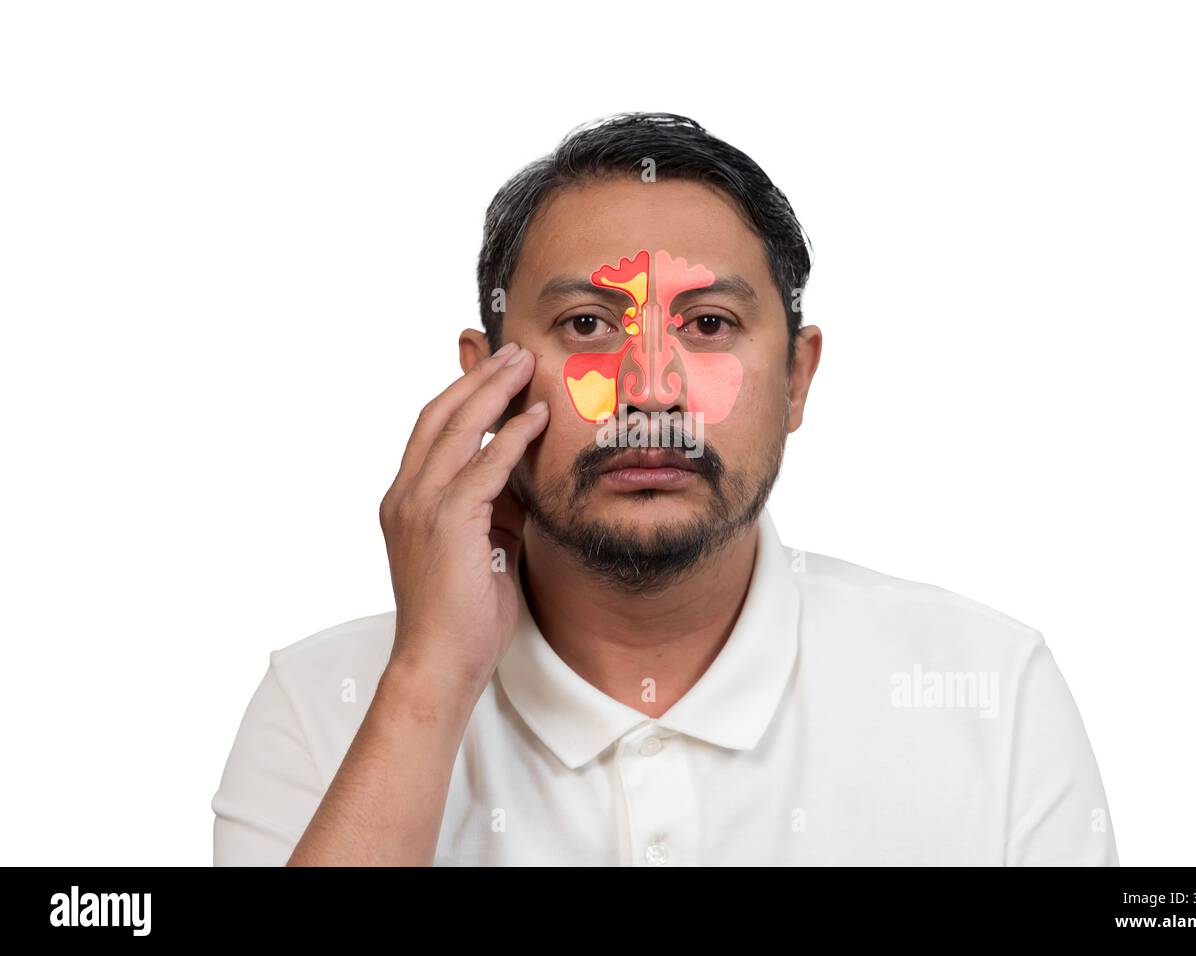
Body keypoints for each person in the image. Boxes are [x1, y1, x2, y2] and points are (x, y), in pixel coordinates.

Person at [211, 112, 1119, 866]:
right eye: (589, 324)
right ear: (484, 379)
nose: (649, 388)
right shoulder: (323, 703)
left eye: (710, 324)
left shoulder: (988, 690)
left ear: (797, 380)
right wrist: (428, 683)